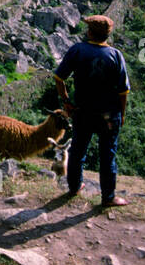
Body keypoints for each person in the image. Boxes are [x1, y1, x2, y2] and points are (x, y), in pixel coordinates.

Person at [54, 14, 130, 209]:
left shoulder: (78, 50)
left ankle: (74, 186)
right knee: (108, 154)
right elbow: (123, 91)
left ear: (89, 32)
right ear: (107, 34)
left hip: (82, 111)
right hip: (108, 114)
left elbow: (59, 77)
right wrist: (121, 114)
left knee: (78, 150)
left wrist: (66, 102)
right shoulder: (115, 55)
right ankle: (108, 197)